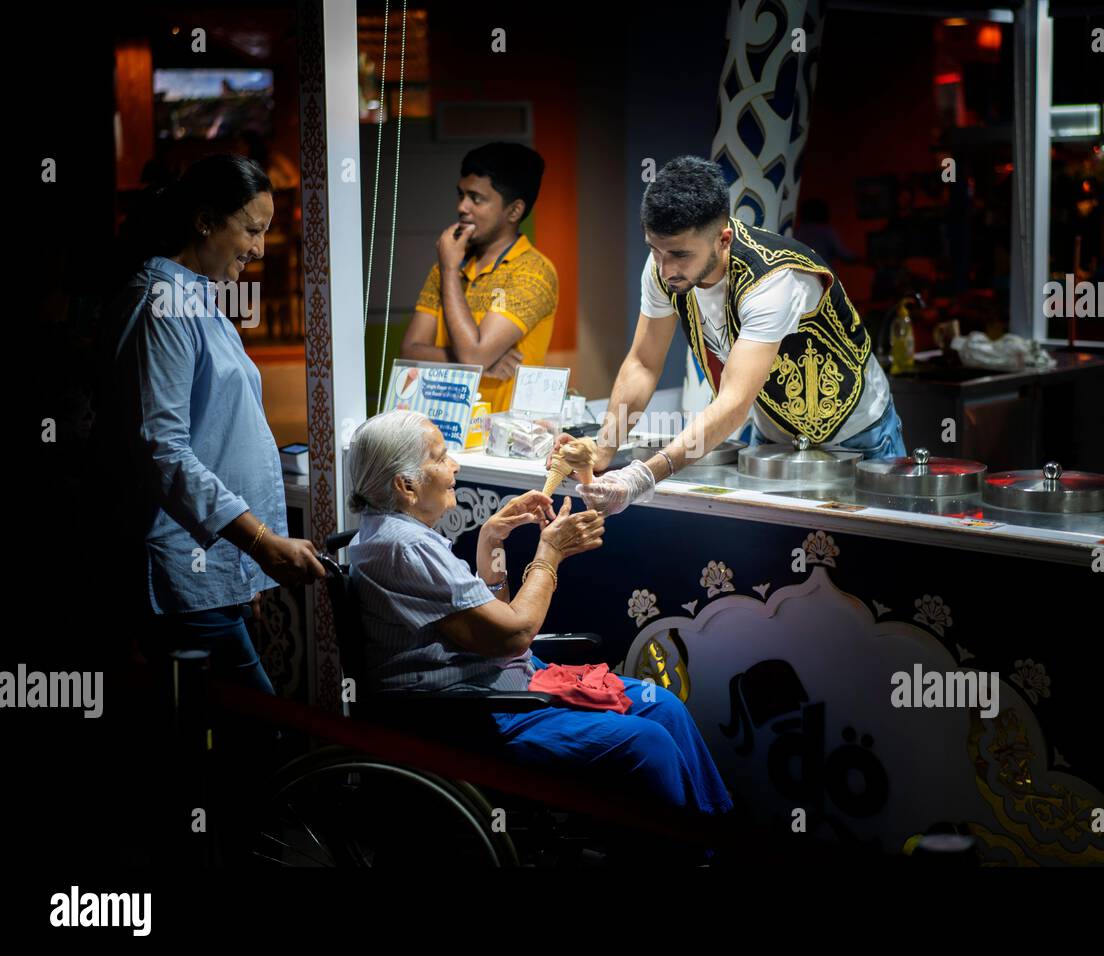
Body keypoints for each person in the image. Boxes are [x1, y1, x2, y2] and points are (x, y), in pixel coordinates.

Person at [346, 409, 734, 822]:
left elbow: (491, 616)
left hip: (506, 687)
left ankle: (714, 837)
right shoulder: (405, 547)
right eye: (440, 458)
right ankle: (692, 850)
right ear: (405, 485)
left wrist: (490, 539)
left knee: (665, 708)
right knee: (648, 743)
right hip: (472, 717)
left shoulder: (397, 534)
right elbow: (513, 635)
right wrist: (550, 555)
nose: (454, 465)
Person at [552, 156, 905, 517]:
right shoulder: (663, 265)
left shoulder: (774, 278)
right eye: (654, 250)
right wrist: (604, 448)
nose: (666, 268)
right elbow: (643, 363)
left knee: (871, 558)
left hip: (861, 433)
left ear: (724, 240)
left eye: (680, 254)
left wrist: (645, 474)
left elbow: (734, 403)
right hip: (776, 436)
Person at [100, 153, 326, 696]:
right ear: (204, 220)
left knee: (230, 739)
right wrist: (262, 543)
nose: (258, 248)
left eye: (265, 231)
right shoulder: (165, 306)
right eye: (251, 229)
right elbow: (166, 451)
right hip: (183, 572)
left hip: (214, 567)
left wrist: (246, 558)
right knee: (256, 738)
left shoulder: (194, 297)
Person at [401, 142, 558, 413]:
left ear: (514, 211)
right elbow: (410, 353)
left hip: (504, 439)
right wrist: (478, 364)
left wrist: (474, 359)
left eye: (476, 198)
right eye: (461, 194)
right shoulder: (446, 265)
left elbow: (474, 354)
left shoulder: (533, 271)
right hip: (440, 428)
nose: (462, 206)